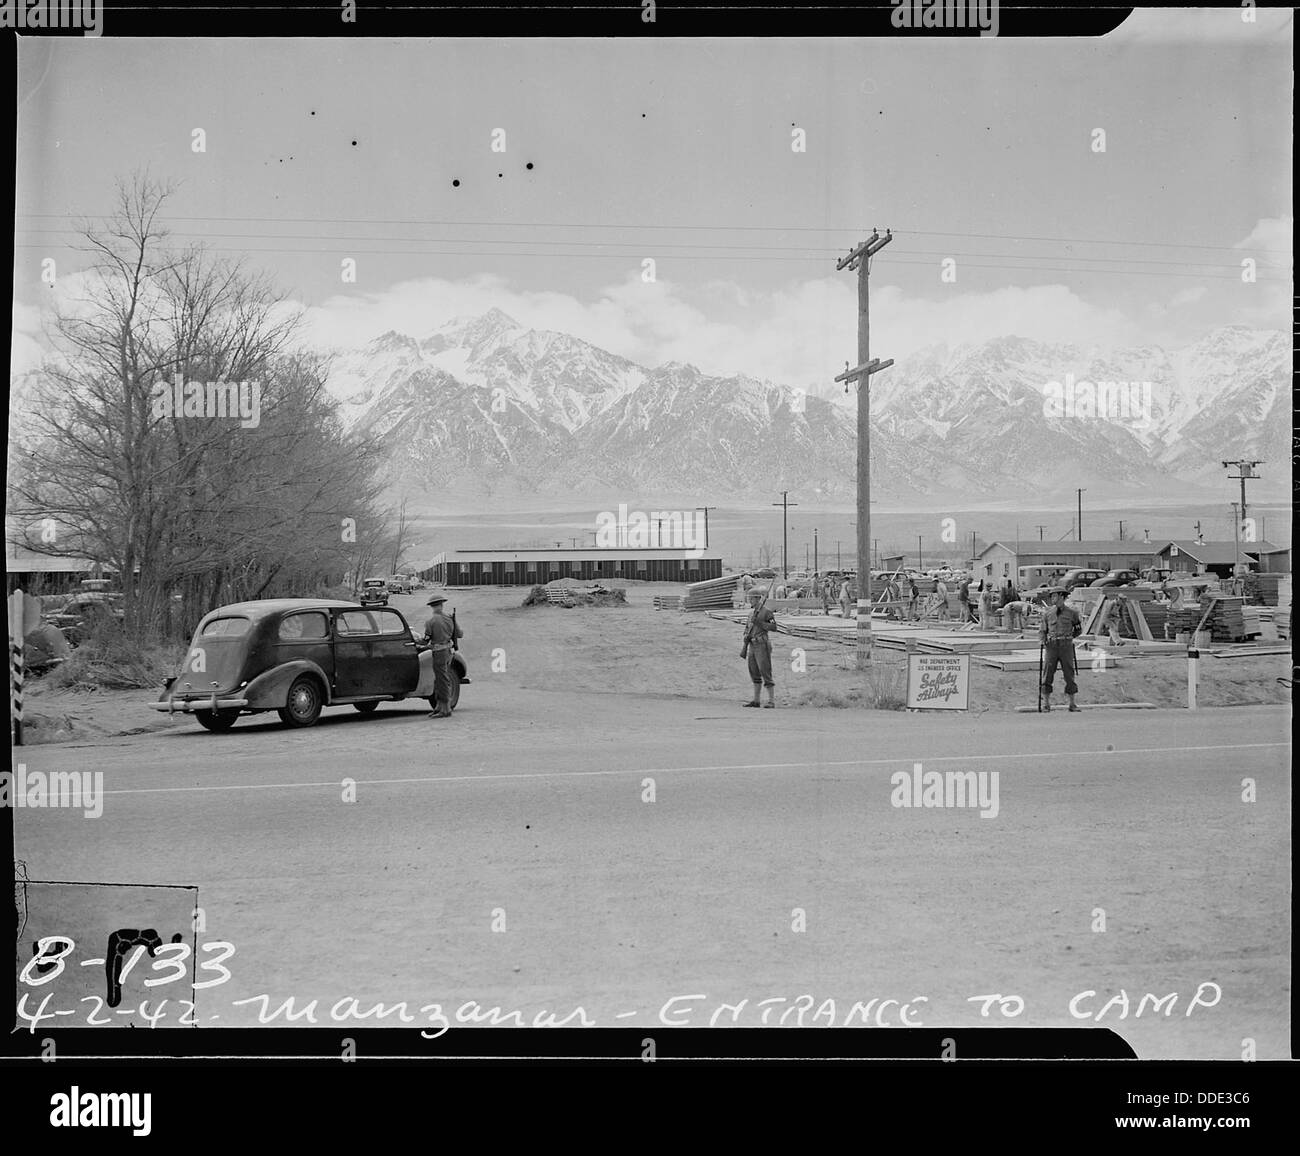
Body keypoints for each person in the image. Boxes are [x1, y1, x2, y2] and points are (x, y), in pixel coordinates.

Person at [1039, 587, 1082, 712]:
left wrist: (1068, 638)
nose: (1053, 598)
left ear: (1062, 597)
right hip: (1051, 646)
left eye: (1055, 596)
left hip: (1066, 646)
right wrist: (1043, 639)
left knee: (1069, 674)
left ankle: (1072, 704)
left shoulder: (1072, 613)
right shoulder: (1047, 613)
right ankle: (1046, 704)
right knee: (1047, 674)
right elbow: (1042, 630)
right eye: (1051, 596)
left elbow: (1078, 629)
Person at [421, 593, 463, 718]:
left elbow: (425, 640)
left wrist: (418, 643)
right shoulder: (450, 618)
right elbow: (460, 634)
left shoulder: (431, 621)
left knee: (441, 680)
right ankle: (439, 706)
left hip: (438, 652)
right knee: (441, 678)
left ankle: (445, 708)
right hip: (449, 651)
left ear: (432, 607)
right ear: (441, 605)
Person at [741, 586, 780, 708]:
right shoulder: (750, 614)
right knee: (754, 672)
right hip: (752, 644)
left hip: (762, 644)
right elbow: (747, 629)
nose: (750, 601)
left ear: (757, 599)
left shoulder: (766, 612)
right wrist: (746, 639)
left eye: (751, 599)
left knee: (765, 671)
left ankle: (771, 700)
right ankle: (756, 700)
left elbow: (774, 627)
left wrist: (760, 623)